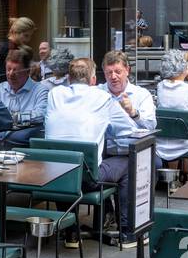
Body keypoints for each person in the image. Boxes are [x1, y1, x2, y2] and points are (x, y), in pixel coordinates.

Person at [45, 58, 141, 246]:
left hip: (53, 179)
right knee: (130, 162)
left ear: (69, 79)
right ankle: (128, 233)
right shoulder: (102, 98)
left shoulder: (54, 94)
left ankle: (71, 234)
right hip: (87, 181)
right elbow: (129, 130)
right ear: (93, 80)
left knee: (63, 163)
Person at [96, 50, 157, 150]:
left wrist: (133, 113)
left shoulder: (141, 94)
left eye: (118, 72)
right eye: (109, 73)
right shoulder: (97, 93)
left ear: (127, 70)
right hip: (104, 151)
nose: (113, 77)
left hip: (134, 151)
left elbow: (151, 126)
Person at [0, 46, 48, 145]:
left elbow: (41, 115)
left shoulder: (40, 90)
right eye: (8, 69)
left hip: (22, 146)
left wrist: (13, 119)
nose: (11, 74)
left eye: (16, 70)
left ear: (27, 71)